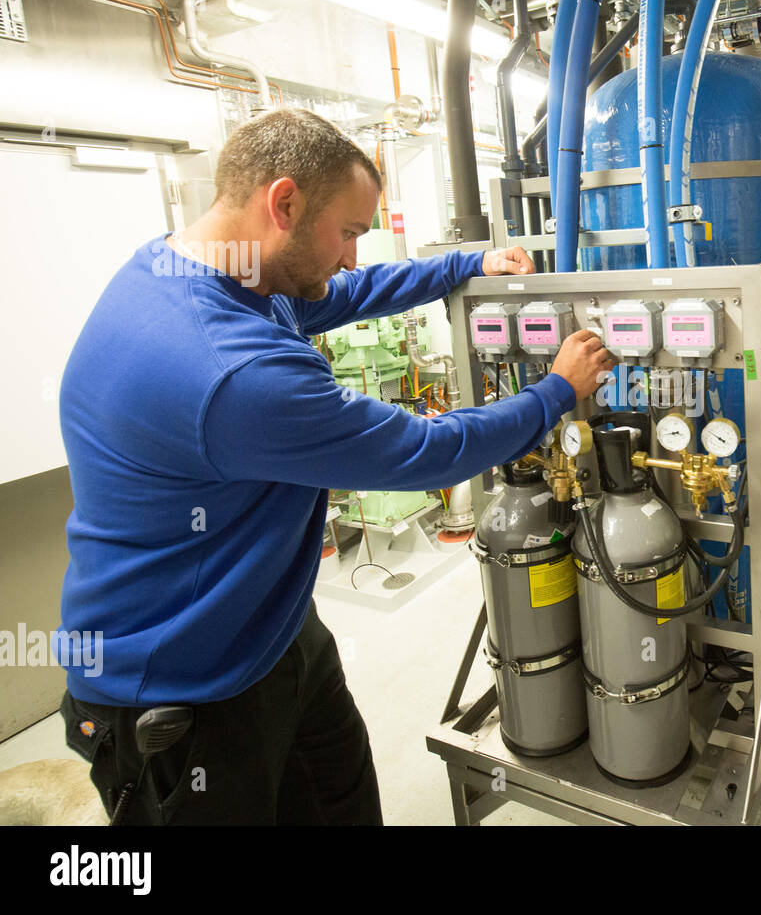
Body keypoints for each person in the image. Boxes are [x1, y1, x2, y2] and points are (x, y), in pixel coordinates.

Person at [55, 108, 613, 824]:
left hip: (274, 629)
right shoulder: (232, 371)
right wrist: (557, 390)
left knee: (342, 803)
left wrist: (465, 266)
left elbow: (347, 291)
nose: (352, 256)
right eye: (348, 232)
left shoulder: (211, 272)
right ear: (284, 203)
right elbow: (427, 451)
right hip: (182, 694)